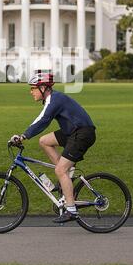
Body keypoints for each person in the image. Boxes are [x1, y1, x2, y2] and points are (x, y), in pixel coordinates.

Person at [10, 71, 96, 223]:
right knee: (44, 141)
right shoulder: (52, 98)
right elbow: (41, 118)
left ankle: (71, 210)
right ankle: (65, 178)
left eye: (33, 88)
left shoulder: (54, 99)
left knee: (60, 170)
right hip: (72, 132)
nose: (31, 92)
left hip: (82, 133)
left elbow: (43, 120)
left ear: (43, 88)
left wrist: (23, 136)